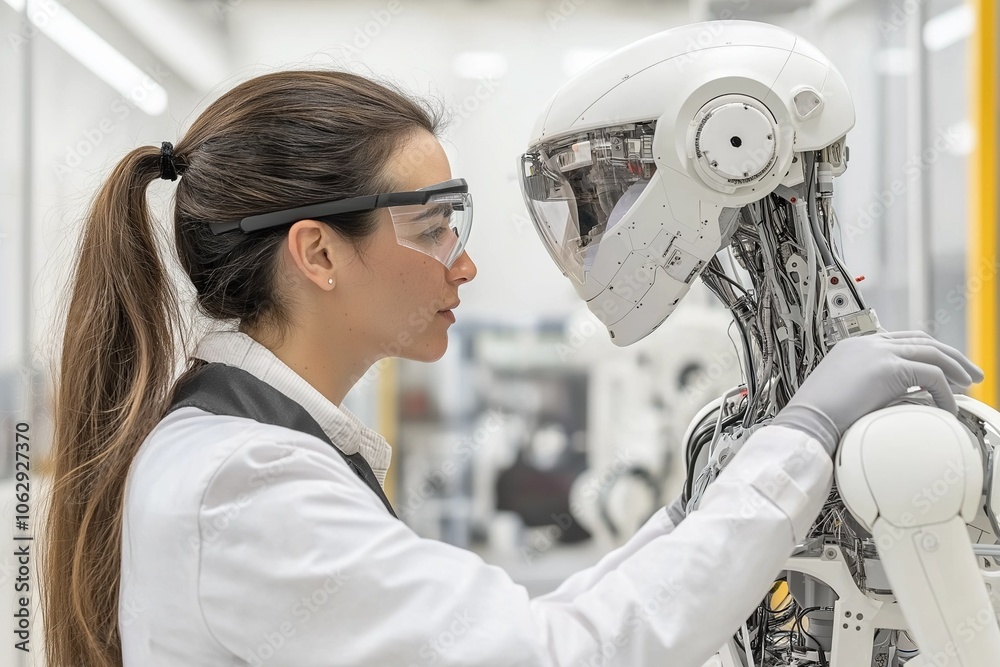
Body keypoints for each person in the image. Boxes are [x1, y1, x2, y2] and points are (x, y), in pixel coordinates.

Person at [41, 69, 982, 667]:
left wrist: (699, 507)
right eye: (432, 227)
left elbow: (516, 625)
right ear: (317, 253)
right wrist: (803, 440)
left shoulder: (233, 447)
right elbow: (548, 656)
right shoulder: (243, 485)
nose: (463, 260)